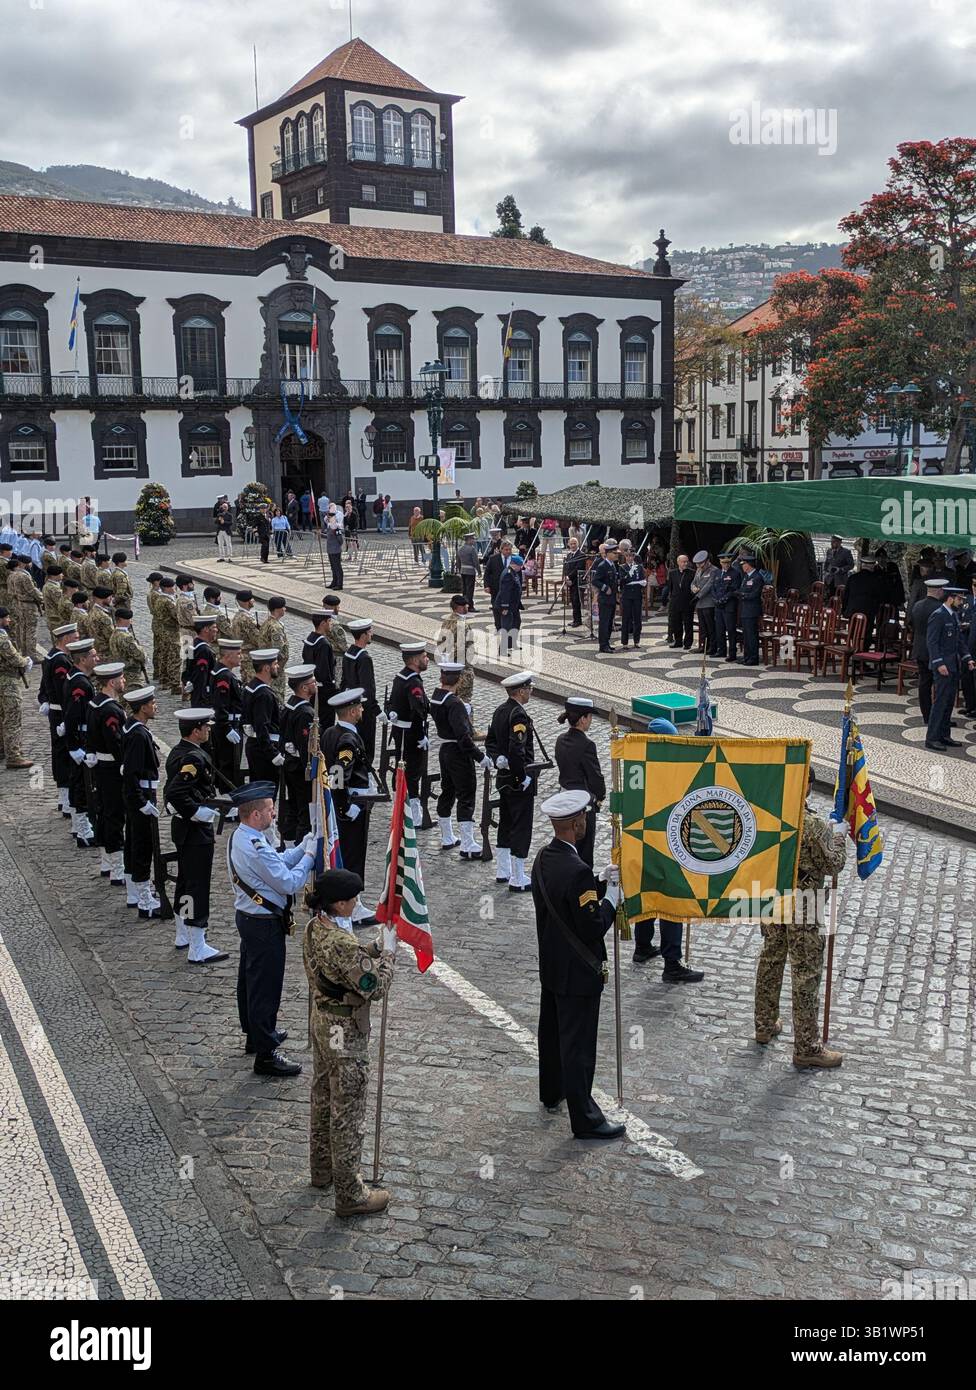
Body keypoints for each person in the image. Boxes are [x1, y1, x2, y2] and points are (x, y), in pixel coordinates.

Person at [531, 789, 625, 1140]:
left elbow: (564, 901)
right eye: (583, 818)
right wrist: (612, 898)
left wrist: (598, 882)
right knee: (578, 1045)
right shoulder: (577, 870)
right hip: (578, 973)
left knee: (552, 1034)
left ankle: (551, 1091)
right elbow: (592, 927)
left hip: (552, 966)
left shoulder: (544, 857)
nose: (586, 822)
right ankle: (585, 1118)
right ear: (575, 823)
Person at [303, 868, 396, 1214]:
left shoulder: (316, 927)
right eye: (353, 900)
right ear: (339, 904)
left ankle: (322, 1169)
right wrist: (387, 957)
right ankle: (350, 1194)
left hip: (322, 1023)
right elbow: (374, 986)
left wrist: (372, 946)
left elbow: (347, 961)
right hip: (345, 1032)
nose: (357, 904)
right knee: (348, 1111)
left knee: (323, 1097)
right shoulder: (340, 942)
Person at [754, 768, 849, 1068]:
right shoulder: (812, 824)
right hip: (805, 901)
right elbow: (833, 864)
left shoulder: (767, 815)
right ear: (807, 787)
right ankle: (807, 1045)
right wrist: (840, 839)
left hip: (772, 895)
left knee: (771, 957)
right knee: (806, 972)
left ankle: (764, 1024)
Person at [227, 781, 316, 1076]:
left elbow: (276, 862)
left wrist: (302, 847)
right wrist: (310, 858)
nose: (274, 813)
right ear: (255, 815)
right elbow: (289, 882)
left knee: (250, 982)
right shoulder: (254, 844)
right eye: (269, 809)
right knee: (265, 987)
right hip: (263, 924)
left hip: (251, 919)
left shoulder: (245, 836)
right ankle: (265, 1054)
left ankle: (257, 1034)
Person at [631, 719, 704, 982]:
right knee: (672, 901)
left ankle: (642, 946)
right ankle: (672, 963)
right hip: (667, 846)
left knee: (649, 894)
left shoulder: (636, 765)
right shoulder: (669, 772)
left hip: (643, 845)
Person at [163, 708, 229, 964]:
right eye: (206, 727)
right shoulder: (194, 758)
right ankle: (197, 944)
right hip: (194, 831)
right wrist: (196, 812)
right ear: (196, 731)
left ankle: (183, 934)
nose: (209, 730)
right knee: (197, 885)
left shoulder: (179, 752)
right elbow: (176, 792)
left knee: (186, 882)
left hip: (183, 830)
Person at [321, 690, 380, 919]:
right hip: (352, 805)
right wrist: (346, 806)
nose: (362, 711)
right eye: (360, 708)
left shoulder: (329, 732)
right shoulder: (348, 739)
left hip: (342, 804)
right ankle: (353, 906)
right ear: (353, 711)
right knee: (353, 854)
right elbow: (337, 774)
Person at [429, 661, 492, 857]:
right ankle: (467, 843)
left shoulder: (436, 698)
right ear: (459, 680)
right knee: (466, 793)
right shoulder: (455, 704)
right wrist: (480, 756)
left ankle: (447, 836)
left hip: (444, 750)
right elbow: (464, 737)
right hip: (458, 753)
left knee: (447, 790)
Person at [485, 670, 539, 892]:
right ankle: (517, 876)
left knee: (506, 822)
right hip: (518, 779)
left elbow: (490, 742)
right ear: (521, 690)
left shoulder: (500, 710)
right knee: (521, 825)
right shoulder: (518, 715)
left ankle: (503, 869)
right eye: (529, 689)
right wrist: (522, 776)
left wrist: (498, 758)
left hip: (504, 778)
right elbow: (517, 749)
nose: (530, 692)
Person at [120, 685, 162, 919]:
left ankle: (135, 891)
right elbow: (132, 773)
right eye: (153, 703)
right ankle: (145, 899)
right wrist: (141, 801)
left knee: (134, 842)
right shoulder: (138, 734)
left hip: (139, 795)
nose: (155, 706)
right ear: (143, 707)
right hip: (142, 796)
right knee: (142, 846)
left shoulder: (132, 728)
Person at [86, 661, 128, 885]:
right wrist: (125, 763)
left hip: (101, 767)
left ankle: (106, 861)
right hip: (112, 768)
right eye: (121, 679)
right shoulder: (110, 709)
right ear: (112, 682)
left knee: (103, 812)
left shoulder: (95, 703)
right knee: (114, 814)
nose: (124, 682)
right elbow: (116, 741)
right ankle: (117, 867)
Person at [553, 697, 605, 869]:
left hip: (564, 798)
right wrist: (600, 796)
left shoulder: (560, 739)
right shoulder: (587, 745)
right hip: (582, 803)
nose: (590, 720)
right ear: (583, 719)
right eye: (589, 716)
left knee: (568, 846)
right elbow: (595, 777)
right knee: (584, 850)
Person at [385, 641, 429, 826]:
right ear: (414, 660)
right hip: (411, 734)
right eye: (424, 656)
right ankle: (413, 816)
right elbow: (418, 710)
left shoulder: (401, 676)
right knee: (412, 772)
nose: (427, 659)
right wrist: (420, 736)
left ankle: (401, 809)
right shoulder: (413, 681)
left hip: (400, 731)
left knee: (402, 768)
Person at [926, 586, 973, 752]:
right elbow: (932, 643)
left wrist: (967, 658)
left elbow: (959, 641)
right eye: (959, 599)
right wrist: (939, 663)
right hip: (943, 667)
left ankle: (944, 735)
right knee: (940, 702)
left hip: (953, 666)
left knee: (948, 704)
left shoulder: (953, 616)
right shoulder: (938, 615)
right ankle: (932, 738)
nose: (961, 602)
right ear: (950, 598)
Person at [63, 636, 99, 845]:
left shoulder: (78, 677)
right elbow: (72, 715)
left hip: (80, 736)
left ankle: (79, 826)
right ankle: (83, 829)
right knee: (82, 783)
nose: (97, 659)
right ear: (83, 659)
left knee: (80, 781)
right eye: (93, 656)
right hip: (81, 738)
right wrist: (74, 746)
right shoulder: (79, 682)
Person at [279, 665, 317, 848]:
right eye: (312, 682)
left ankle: (288, 842)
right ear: (303, 688)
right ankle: (301, 846)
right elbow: (307, 747)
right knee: (304, 809)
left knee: (292, 805)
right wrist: (313, 771)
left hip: (289, 765)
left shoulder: (289, 705)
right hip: (301, 769)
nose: (315, 684)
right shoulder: (305, 713)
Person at [909, 577, 948, 725]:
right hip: (936, 651)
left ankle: (927, 716)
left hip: (920, 649)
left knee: (924, 684)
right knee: (940, 686)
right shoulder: (940, 608)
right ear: (940, 590)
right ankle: (938, 718)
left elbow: (912, 623)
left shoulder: (917, 605)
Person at [0, 606, 33, 770]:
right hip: (8, 682)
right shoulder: (2, 639)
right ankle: (14, 756)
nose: (9, 620)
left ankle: (2, 749)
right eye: (6, 617)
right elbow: (15, 659)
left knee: (2, 717)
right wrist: (26, 661)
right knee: (13, 719)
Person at [342, 620, 380, 764]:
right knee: (365, 744)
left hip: (350, 705)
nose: (372, 634)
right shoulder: (364, 658)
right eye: (370, 632)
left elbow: (344, 681)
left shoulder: (349, 653)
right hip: (363, 709)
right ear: (363, 635)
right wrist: (376, 709)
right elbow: (368, 688)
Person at [243, 650, 283, 783]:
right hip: (263, 751)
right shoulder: (264, 694)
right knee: (266, 793)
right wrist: (273, 753)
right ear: (266, 668)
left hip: (255, 747)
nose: (278, 667)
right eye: (275, 664)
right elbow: (262, 726)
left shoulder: (251, 686)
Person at [210, 639, 245, 783]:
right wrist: (227, 727)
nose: (241, 657)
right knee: (228, 764)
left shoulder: (223, 672)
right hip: (229, 724)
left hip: (230, 723)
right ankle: (227, 796)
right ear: (228, 656)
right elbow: (220, 704)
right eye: (238, 654)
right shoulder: (224, 676)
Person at [842, 557, 886, 648]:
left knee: (853, 631)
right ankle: (862, 655)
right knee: (866, 634)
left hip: (852, 610)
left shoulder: (853, 578)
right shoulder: (876, 579)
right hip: (868, 611)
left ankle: (853, 650)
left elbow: (845, 596)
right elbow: (881, 596)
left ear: (862, 565)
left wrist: (844, 610)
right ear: (872, 566)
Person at [590, 541, 620, 654]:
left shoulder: (613, 565)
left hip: (612, 599)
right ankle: (603, 645)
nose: (616, 555)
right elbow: (595, 580)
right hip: (605, 599)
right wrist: (605, 587)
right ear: (607, 554)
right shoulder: (603, 566)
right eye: (614, 553)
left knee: (609, 623)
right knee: (604, 622)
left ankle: (607, 642)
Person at [182, 615, 218, 707]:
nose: (216, 630)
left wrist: (187, 683)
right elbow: (201, 677)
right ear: (206, 629)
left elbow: (186, 670)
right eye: (214, 627)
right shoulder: (204, 651)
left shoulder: (192, 645)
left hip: (196, 694)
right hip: (203, 697)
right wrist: (203, 699)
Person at [257, 599, 289, 703]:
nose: (285, 609)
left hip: (266, 665)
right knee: (277, 696)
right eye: (283, 607)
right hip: (275, 667)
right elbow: (277, 651)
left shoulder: (267, 623)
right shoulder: (276, 627)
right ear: (277, 609)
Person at [617, 540, 647, 650]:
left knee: (637, 619)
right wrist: (629, 575)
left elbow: (642, 578)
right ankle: (624, 642)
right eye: (628, 556)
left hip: (637, 595)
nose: (630, 558)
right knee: (626, 618)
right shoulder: (622, 567)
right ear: (625, 557)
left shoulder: (638, 567)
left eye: (631, 556)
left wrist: (643, 582)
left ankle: (637, 640)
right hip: (627, 596)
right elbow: (622, 582)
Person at [494, 551, 525, 657]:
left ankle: (511, 643)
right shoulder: (508, 574)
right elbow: (505, 592)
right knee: (506, 626)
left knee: (516, 622)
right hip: (506, 605)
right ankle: (502, 649)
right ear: (514, 564)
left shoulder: (513, 572)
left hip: (514, 605)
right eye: (520, 566)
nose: (521, 568)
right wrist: (505, 606)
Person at [737, 554, 765, 665]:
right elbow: (742, 590)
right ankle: (747, 656)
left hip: (752, 610)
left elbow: (755, 594)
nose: (742, 566)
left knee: (752, 635)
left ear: (749, 565)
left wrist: (742, 595)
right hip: (745, 609)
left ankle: (753, 658)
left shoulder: (757, 577)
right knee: (746, 635)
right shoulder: (746, 577)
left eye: (744, 564)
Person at [663, 553, 695, 650]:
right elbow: (670, 588)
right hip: (675, 602)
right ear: (678, 562)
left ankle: (688, 643)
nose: (685, 564)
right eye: (683, 562)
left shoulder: (692, 572)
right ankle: (678, 641)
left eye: (686, 562)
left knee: (688, 623)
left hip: (687, 602)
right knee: (676, 623)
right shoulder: (672, 573)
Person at [714, 552, 741, 661]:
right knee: (719, 629)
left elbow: (734, 589)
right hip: (718, 606)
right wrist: (715, 599)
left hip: (729, 605)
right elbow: (713, 587)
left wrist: (724, 599)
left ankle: (732, 653)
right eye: (723, 563)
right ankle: (721, 650)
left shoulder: (735, 573)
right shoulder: (718, 573)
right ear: (720, 563)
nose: (726, 565)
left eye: (727, 563)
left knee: (730, 630)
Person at [691, 549, 719, 655]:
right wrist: (693, 588)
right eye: (697, 564)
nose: (699, 566)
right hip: (699, 604)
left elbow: (709, 585)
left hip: (709, 603)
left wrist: (698, 595)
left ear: (707, 561)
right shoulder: (698, 570)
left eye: (701, 563)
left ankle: (712, 647)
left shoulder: (714, 570)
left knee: (710, 626)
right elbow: (693, 582)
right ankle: (703, 646)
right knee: (702, 626)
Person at [231, 590, 260, 683]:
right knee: (253, 684)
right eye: (252, 598)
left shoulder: (237, 616)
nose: (253, 600)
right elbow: (257, 639)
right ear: (247, 601)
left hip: (243, 655)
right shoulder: (247, 619)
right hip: (250, 656)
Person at [484, 539, 513, 630]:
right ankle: (498, 625)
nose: (508, 551)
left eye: (509, 549)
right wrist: (486, 585)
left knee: (509, 607)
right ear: (501, 549)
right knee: (496, 607)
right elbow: (487, 573)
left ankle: (508, 625)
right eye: (506, 549)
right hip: (496, 587)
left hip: (509, 589)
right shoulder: (493, 558)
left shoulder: (514, 559)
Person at [457, 531, 480, 611]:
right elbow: (476, 562)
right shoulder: (472, 549)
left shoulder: (460, 549)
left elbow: (458, 562)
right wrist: (479, 571)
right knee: (470, 590)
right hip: (470, 572)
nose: (474, 541)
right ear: (469, 540)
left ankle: (464, 605)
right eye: (473, 539)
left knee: (465, 590)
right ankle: (470, 606)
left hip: (463, 571)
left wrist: (459, 570)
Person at [325, 513, 344, 590]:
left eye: (329, 517)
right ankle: (334, 582)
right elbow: (329, 536)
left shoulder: (336, 528)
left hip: (335, 550)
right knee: (333, 567)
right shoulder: (330, 527)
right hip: (330, 550)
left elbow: (340, 540)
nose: (327, 519)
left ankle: (340, 584)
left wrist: (337, 546)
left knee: (337, 567)